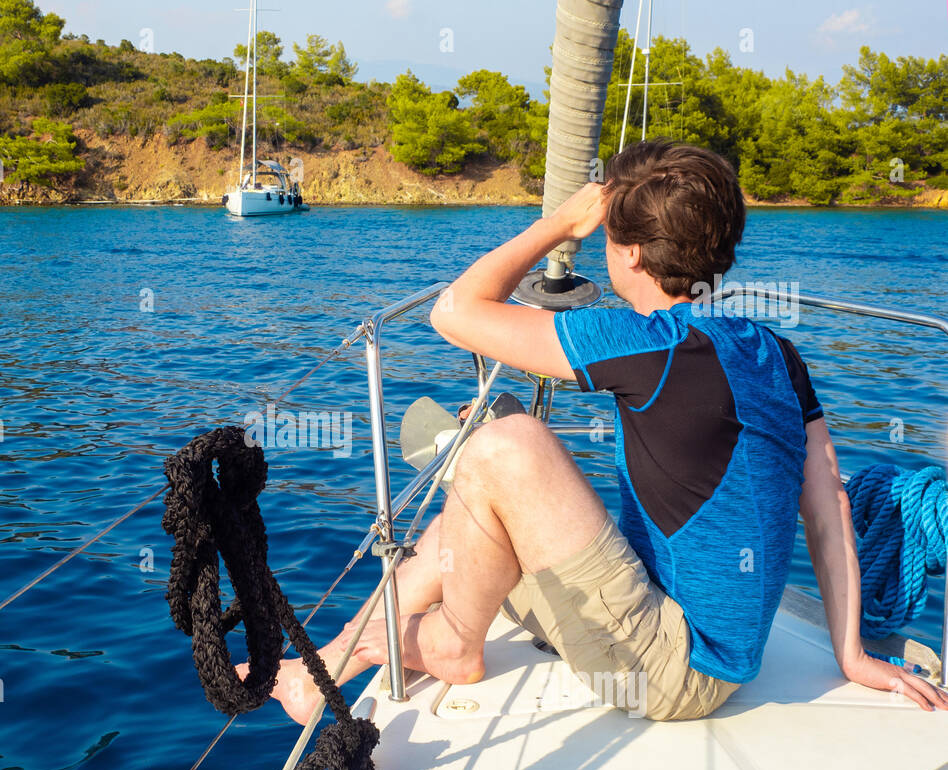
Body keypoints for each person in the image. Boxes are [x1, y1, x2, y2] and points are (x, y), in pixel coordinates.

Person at [249, 138, 948, 723]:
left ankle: (447, 644)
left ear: (632, 256)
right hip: (701, 640)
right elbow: (827, 508)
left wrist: (558, 223)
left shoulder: (640, 340)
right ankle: (326, 659)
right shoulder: (774, 350)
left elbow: (455, 310)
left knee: (501, 445)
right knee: (478, 492)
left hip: (674, 672)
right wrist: (850, 653)